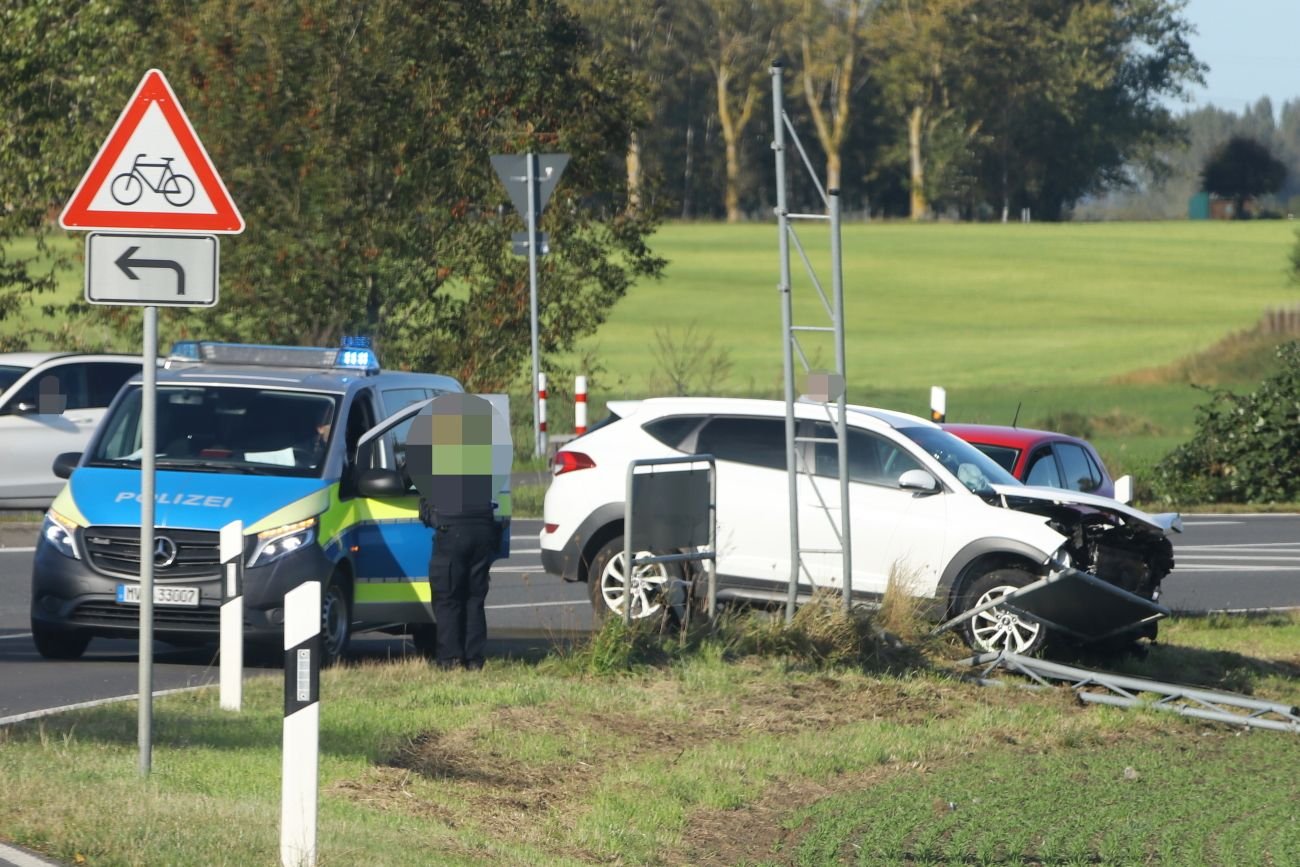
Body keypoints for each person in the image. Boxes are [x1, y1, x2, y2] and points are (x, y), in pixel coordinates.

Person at [407, 393, 510, 671]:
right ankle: (474, 659)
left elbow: (408, 477)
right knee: (474, 598)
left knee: (448, 598)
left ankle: (450, 658)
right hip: (483, 528)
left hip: (452, 530)